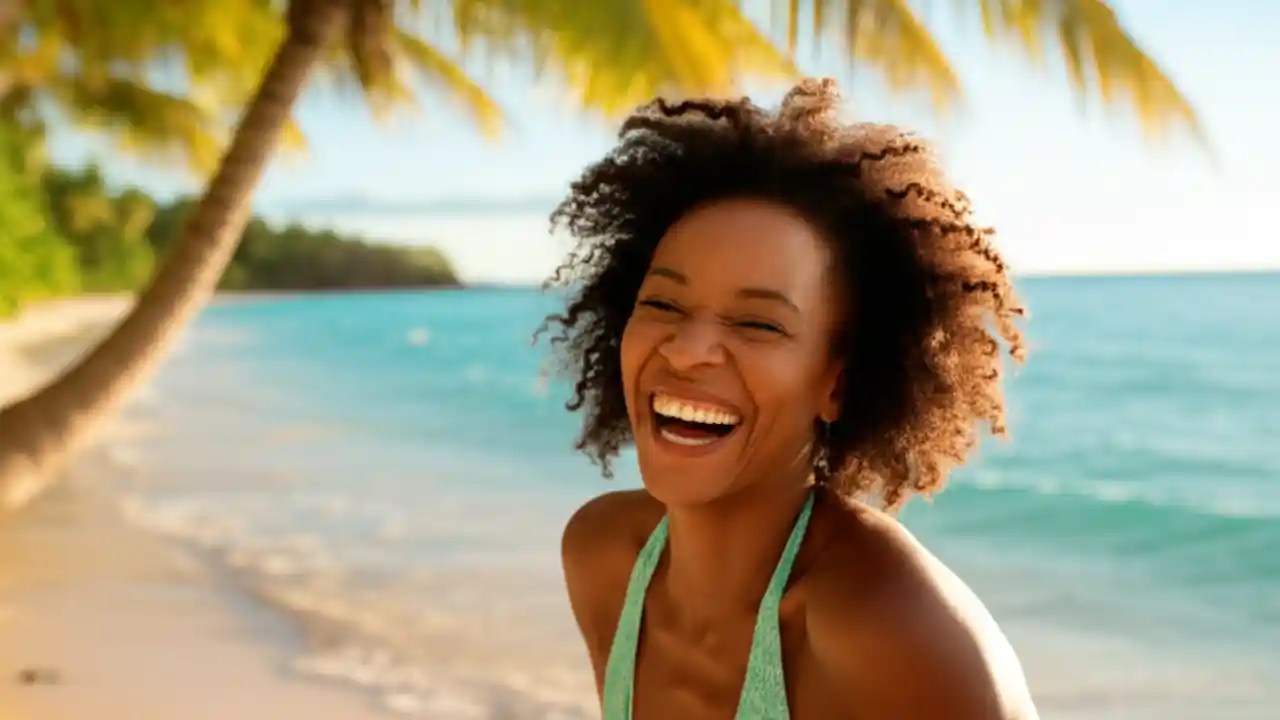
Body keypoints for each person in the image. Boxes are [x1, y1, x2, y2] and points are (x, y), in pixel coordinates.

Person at [541, 77, 1039, 719]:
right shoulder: (602, 555)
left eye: (759, 323)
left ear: (839, 383)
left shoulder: (891, 631)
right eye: (662, 302)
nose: (688, 350)